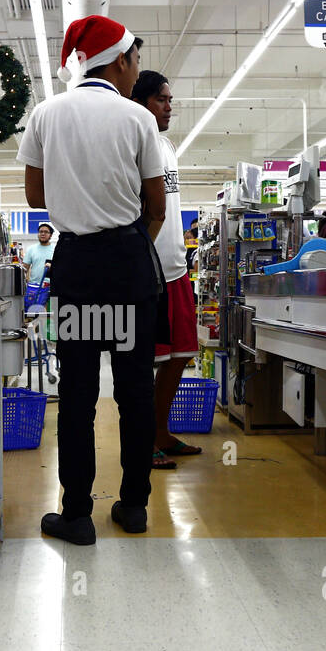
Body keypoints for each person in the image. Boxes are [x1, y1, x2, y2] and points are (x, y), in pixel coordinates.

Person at [17, 14, 165, 544]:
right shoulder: (138, 119)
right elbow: (156, 204)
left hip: (75, 266)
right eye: (137, 61)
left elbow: (35, 198)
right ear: (120, 60)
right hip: (127, 264)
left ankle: (77, 513)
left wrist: (72, 191)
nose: (137, 72)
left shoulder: (46, 113)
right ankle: (133, 505)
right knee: (134, 393)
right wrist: (127, 246)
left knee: (77, 395)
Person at [133, 69, 199, 470]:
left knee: (181, 355)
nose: (169, 107)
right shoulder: (136, 143)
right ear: (142, 103)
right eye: (161, 99)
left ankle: (160, 430)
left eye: (170, 100)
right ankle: (143, 441)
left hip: (177, 266)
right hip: (148, 270)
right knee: (143, 364)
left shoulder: (167, 145)